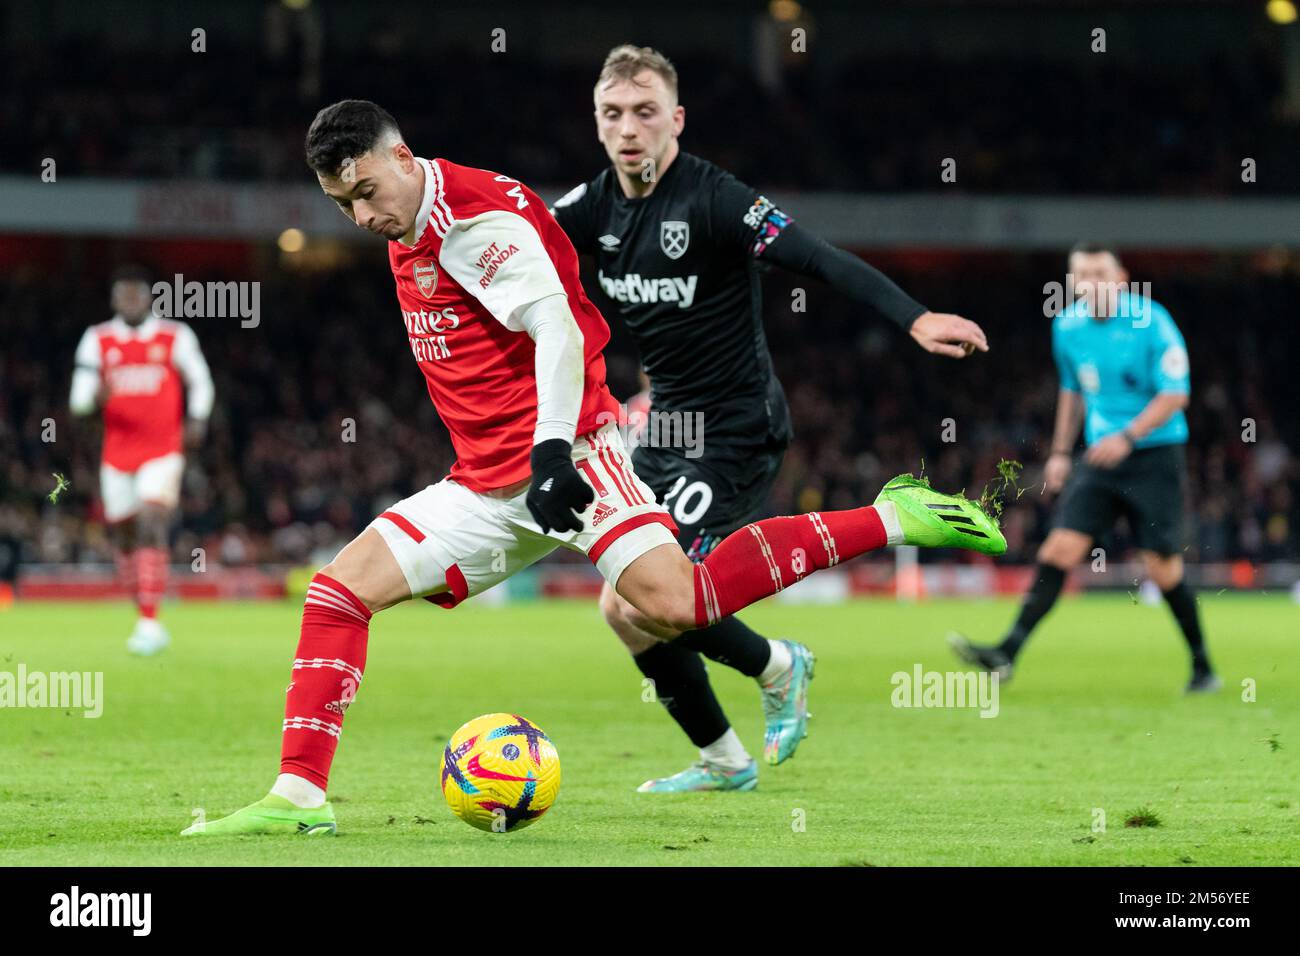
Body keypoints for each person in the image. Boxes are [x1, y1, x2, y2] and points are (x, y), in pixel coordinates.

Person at [185, 99, 1004, 837]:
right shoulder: (422, 220)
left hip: (572, 459)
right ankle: (299, 795)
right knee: (338, 591)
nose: (361, 215)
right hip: (484, 484)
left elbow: (560, 333)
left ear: (404, 158)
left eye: (366, 192)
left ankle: (895, 515)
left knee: (674, 603)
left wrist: (550, 453)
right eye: (342, 204)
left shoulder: (475, 224)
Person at [552, 45, 993, 792]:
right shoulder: (586, 210)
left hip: (734, 425)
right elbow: (510, 258)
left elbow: (818, 258)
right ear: (597, 124)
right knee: (623, 608)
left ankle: (781, 667)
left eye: (645, 112)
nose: (629, 129)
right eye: (613, 114)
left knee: (658, 594)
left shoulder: (717, 199)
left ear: (676, 121)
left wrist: (913, 318)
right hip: (663, 424)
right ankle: (727, 757)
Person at [949, 244, 1217, 693]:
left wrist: (1126, 437)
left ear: (1121, 279)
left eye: (1099, 273)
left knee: (1163, 568)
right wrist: (1058, 452)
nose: (1090, 282)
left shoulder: (1153, 322)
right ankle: (1006, 654)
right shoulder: (1067, 327)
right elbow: (1071, 391)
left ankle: (1203, 666)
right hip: (1098, 458)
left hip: (1154, 455)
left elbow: (1175, 395)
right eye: (1081, 275)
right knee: (1058, 551)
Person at [70, 264, 213, 655]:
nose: (130, 301)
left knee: (153, 521)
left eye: (136, 294)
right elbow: (78, 400)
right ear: (115, 300)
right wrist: (90, 401)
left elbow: (200, 379)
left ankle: (149, 622)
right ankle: (144, 608)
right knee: (124, 535)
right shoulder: (97, 339)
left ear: (149, 297)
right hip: (116, 453)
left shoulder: (174, 336)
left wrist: (197, 418)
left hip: (163, 449)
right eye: (123, 295)